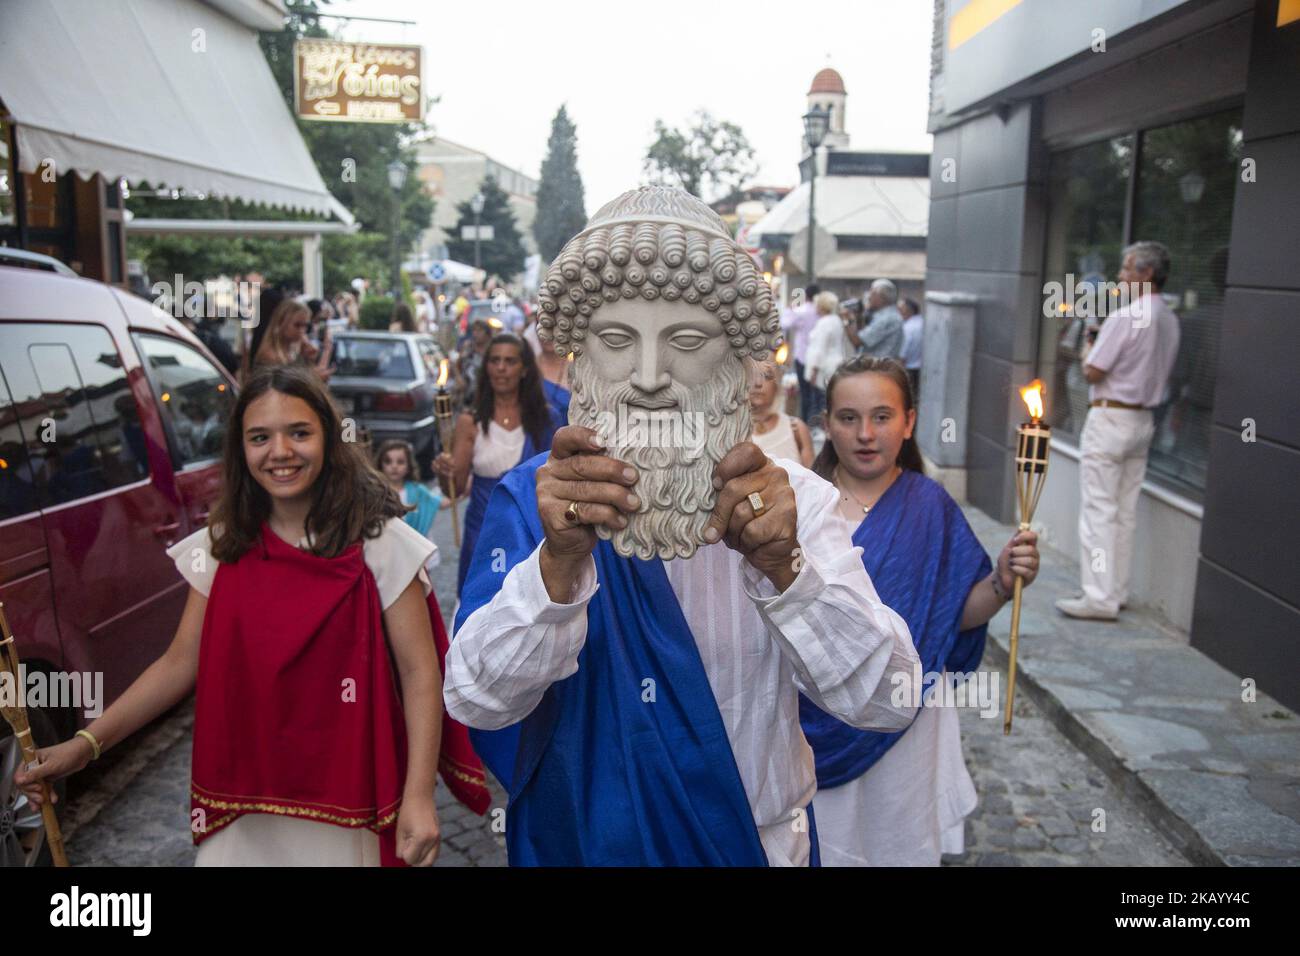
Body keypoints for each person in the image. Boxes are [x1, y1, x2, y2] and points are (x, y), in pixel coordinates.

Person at [444, 185, 921, 866]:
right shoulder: (535, 503)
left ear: (735, 359)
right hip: (584, 847)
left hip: (748, 844)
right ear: (579, 357)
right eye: (616, 340)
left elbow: (888, 698)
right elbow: (474, 698)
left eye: (686, 339)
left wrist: (786, 572)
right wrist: (556, 569)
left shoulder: (797, 505)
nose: (646, 376)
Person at [15, 365, 446, 866]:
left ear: (329, 438)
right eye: (260, 437)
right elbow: (178, 664)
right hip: (245, 805)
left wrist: (417, 797)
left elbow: (420, 673)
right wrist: (83, 745)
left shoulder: (379, 542)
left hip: (347, 797)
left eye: (299, 433)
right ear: (240, 449)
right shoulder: (223, 546)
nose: (280, 452)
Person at [800, 355, 1040, 865]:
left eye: (882, 416)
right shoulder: (801, 505)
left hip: (910, 718)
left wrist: (1001, 580)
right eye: (848, 417)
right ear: (827, 425)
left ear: (909, 422)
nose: (866, 433)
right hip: (814, 715)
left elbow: (959, 612)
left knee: (895, 841)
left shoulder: (931, 505)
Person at [1056, 241, 1180, 621]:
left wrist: (1088, 347)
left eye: (1127, 270)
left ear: (1146, 275)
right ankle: (1116, 589)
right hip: (1143, 419)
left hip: (1111, 416)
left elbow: (1093, 370)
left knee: (1099, 509)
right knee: (1123, 510)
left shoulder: (1127, 316)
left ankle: (1099, 596)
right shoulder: (1169, 318)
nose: (1120, 277)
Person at [433, 331, 560, 599]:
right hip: (483, 532)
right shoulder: (471, 422)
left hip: (530, 532)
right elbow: (453, 489)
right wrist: (445, 474)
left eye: (510, 361)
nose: (501, 368)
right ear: (486, 367)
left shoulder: (546, 419)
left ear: (524, 369)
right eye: (494, 360)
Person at [375, 439, 443, 573]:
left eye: (400, 462)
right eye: (388, 461)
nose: (394, 466)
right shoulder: (377, 492)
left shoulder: (417, 491)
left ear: (408, 466)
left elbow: (437, 502)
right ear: (380, 465)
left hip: (415, 548)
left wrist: (462, 491)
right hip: (388, 550)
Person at [244, 299, 334, 382]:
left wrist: (312, 357)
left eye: (305, 325)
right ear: (281, 323)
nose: (302, 331)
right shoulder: (271, 355)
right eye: (297, 325)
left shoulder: (294, 346)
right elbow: (287, 386)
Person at [749, 360, 813, 468]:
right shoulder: (731, 432)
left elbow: (813, 481)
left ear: (777, 383)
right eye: (751, 375)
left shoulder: (796, 429)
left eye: (766, 376)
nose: (758, 383)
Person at [803, 290, 848, 421]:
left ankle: (817, 432)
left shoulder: (824, 323)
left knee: (819, 403)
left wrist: (814, 371)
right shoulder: (836, 320)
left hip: (823, 369)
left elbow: (819, 348)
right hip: (834, 365)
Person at [780, 283, 820, 422]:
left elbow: (784, 324)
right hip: (818, 358)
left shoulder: (801, 311)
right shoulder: (821, 311)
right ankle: (815, 420)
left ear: (806, 295)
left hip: (803, 356)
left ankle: (804, 420)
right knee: (817, 392)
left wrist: (790, 309)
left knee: (805, 392)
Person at [858, 278, 905, 359]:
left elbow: (859, 341)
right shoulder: (885, 315)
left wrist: (848, 320)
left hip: (879, 367)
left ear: (882, 297)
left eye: (872, 294)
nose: (869, 298)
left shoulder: (887, 317)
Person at [898, 297, 924, 399]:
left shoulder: (908, 328)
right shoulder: (923, 323)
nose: (898, 312)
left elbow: (903, 352)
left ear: (908, 310)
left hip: (910, 369)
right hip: (922, 369)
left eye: (900, 309)